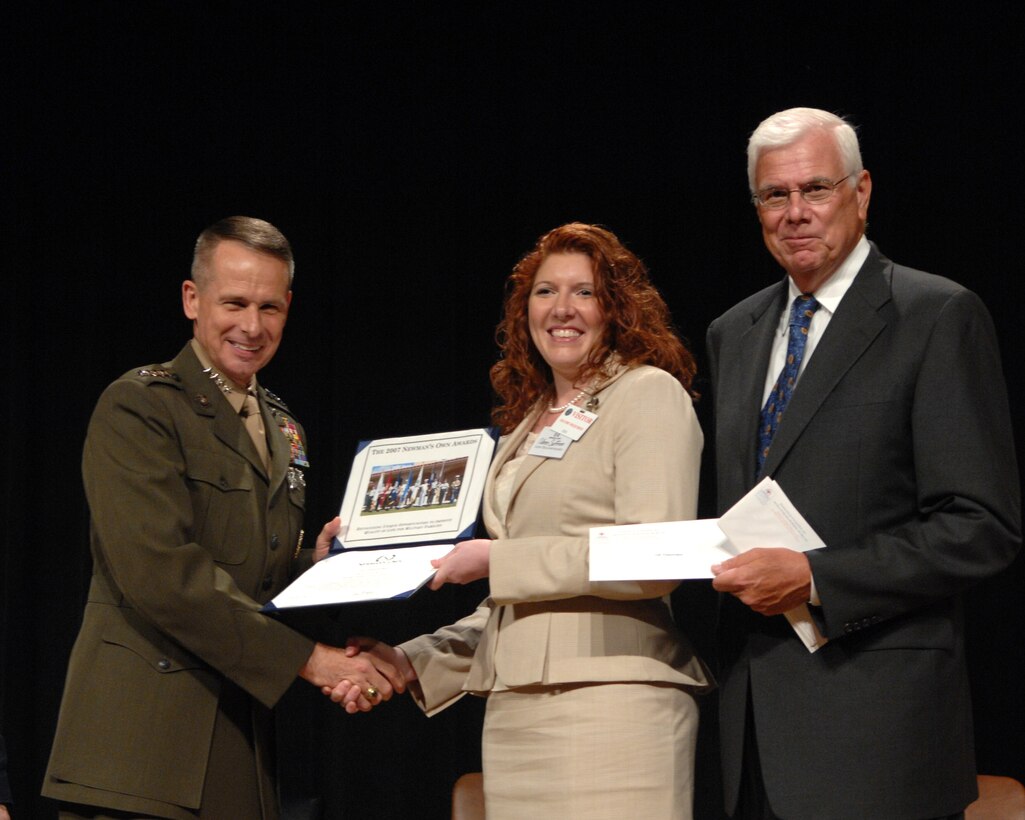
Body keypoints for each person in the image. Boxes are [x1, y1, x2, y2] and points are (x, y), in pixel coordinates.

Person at [333, 223, 712, 818]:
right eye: (545, 292)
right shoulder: (526, 426)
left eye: (584, 292)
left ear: (616, 307)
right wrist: (413, 662)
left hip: (615, 709)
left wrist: (495, 560)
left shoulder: (646, 395)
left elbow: (652, 558)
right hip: (513, 719)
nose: (562, 309)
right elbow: (517, 607)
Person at [706, 108, 1021, 819]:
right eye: (773, 196)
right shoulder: (733, 332)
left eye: (813, 189)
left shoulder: (935, 315)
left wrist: (817, 577)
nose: (794, 213)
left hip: (879, 732)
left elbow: (979, 526)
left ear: (862, 191)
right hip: (750, 729)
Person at [43, 216, 395, 820]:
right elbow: (163, 575)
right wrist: (315, 662)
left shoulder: (283, 427)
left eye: (269, 307)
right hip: (138, 750)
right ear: (192, 299)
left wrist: (318, 559)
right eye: (233, 302)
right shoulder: (139, 407)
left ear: (288, 308)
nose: (251, 327)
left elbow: (253, 572)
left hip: (237, 737)